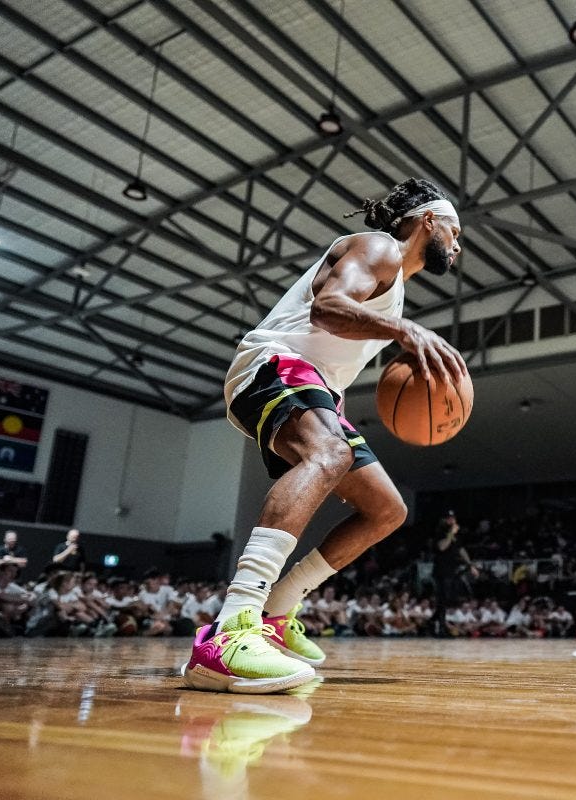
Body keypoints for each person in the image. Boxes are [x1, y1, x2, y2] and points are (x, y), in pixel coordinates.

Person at [183, 179, 465, 693]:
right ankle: (229, 632)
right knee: (329, 453)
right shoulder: (378, 248)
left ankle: (277, 611)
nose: (459, 243)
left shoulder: (393, 287)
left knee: (387, 509)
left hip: (315, 385)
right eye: (455, 228)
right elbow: (326, 308)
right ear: (428, 220)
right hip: (274, 363)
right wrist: (405, 333)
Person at [431, 511, 479, 637]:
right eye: (449, 518)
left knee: (448, 599)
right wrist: (451, 533)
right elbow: (442, 547)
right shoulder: (440, 532)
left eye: (453, 518)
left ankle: (433, 620)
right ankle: (440, 626)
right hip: (441, 570)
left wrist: (471, 565)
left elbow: (461, 550)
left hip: (452, 570)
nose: (452, 520)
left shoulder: (456, 535)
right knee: (443, 598)